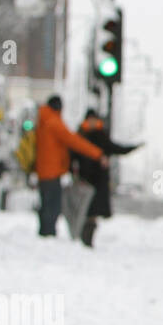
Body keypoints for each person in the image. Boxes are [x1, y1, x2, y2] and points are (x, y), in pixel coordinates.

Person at [34, 96, 106, 238]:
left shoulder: (43, 120)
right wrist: (97, 153)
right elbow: (73, 141)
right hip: (52, 171)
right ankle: (47, 235)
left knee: (47, 205)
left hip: (44, 170)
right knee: (52, 207)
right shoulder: (53, 122)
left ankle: (45, 233)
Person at [72, 109, 141, 247]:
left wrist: (133, 148)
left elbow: (116, 148)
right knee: (85, 210)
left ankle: (88, 239)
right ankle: (84, 238)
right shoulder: (80, 135)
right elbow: (72, 155)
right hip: (85, 180)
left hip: (99, 180)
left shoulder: (100, 135)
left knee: (93, 212)